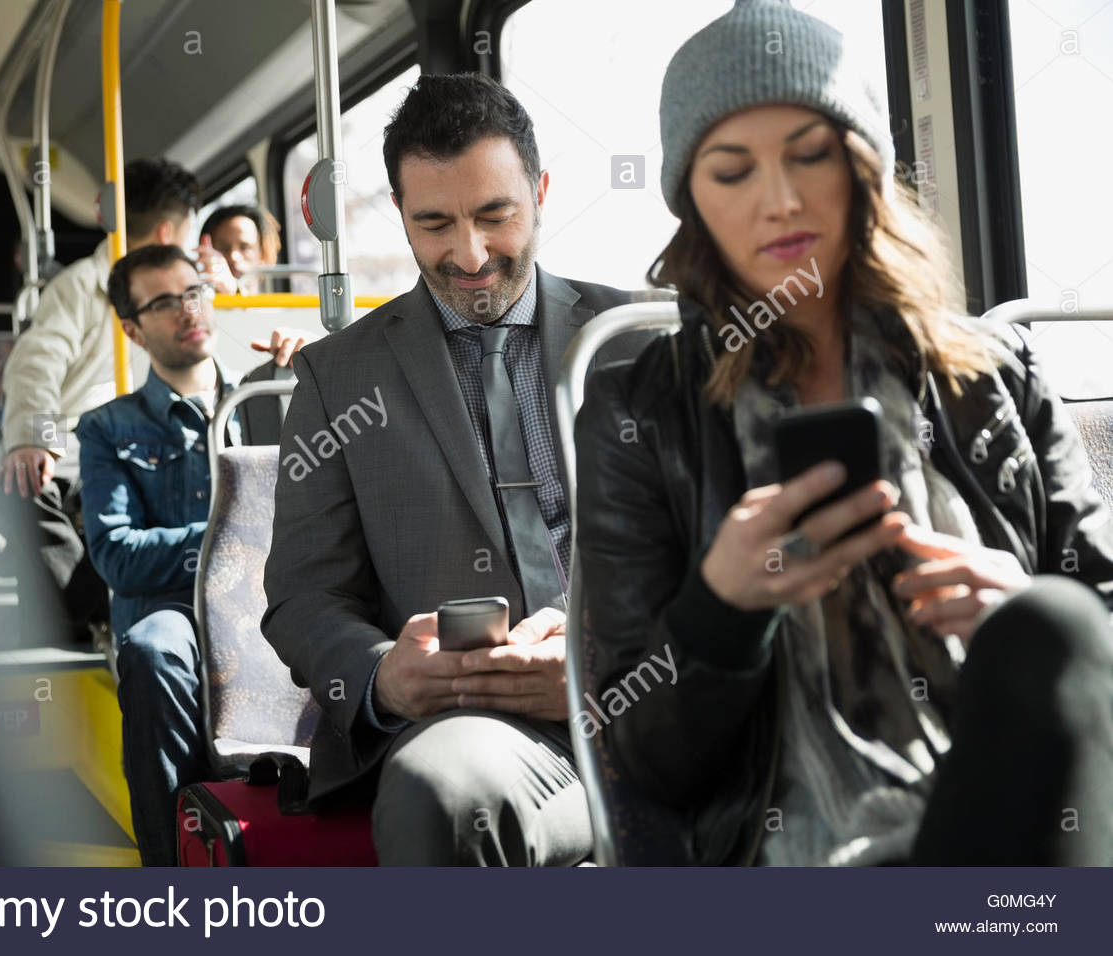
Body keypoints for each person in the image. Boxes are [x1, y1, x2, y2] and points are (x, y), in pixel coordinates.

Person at [575, 0, 1113, 866]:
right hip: (793, 845)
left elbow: (1099, 629)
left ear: (862, 166)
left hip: (1016, 807)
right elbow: (643, 759)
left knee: (1053, 620)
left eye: (810, 154)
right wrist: (723, 607)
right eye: (732, 170)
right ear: (692, 199)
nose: (779, 201)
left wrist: (1015, 618)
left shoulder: (992, 374)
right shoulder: (643, 410)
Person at [262, 72, 659, 866]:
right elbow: (304, 597)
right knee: (443, 795)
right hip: (476, 735)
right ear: (402, 219)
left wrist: (602, 662)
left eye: (495, 215)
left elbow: (716, 553)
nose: (469, 255)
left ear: (540, 192)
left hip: (656, 700)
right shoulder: (336, 380)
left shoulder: (643, 342)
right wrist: (382, 678)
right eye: (434, 223)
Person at [77, 244, 310, 866]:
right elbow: (116, 555)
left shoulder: (269, 398)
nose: (187, 310)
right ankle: (173, 866)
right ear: (132, 328)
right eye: (163, 302)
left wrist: (314, 380)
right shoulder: (107, 429)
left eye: (193, 292)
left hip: (273, 598)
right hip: (178, 611)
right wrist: (220, 542)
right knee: (154, 652)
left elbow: (325, 505)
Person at [0, 159, 287, 644]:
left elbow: (228, 368)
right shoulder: (78, 289)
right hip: (87, 449)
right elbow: (35, 367)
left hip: (178, 434)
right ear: (170, 231)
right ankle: (81, 617)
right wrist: (36, 441)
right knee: (30, 480)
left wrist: (233, 296)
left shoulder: (199, 291)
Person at [201, 204, 282, 294]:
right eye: (223, 248)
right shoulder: (196, 304)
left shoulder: (281, 306)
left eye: (245, 247)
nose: (233, 257)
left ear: (263, 254)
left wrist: (235, 293)